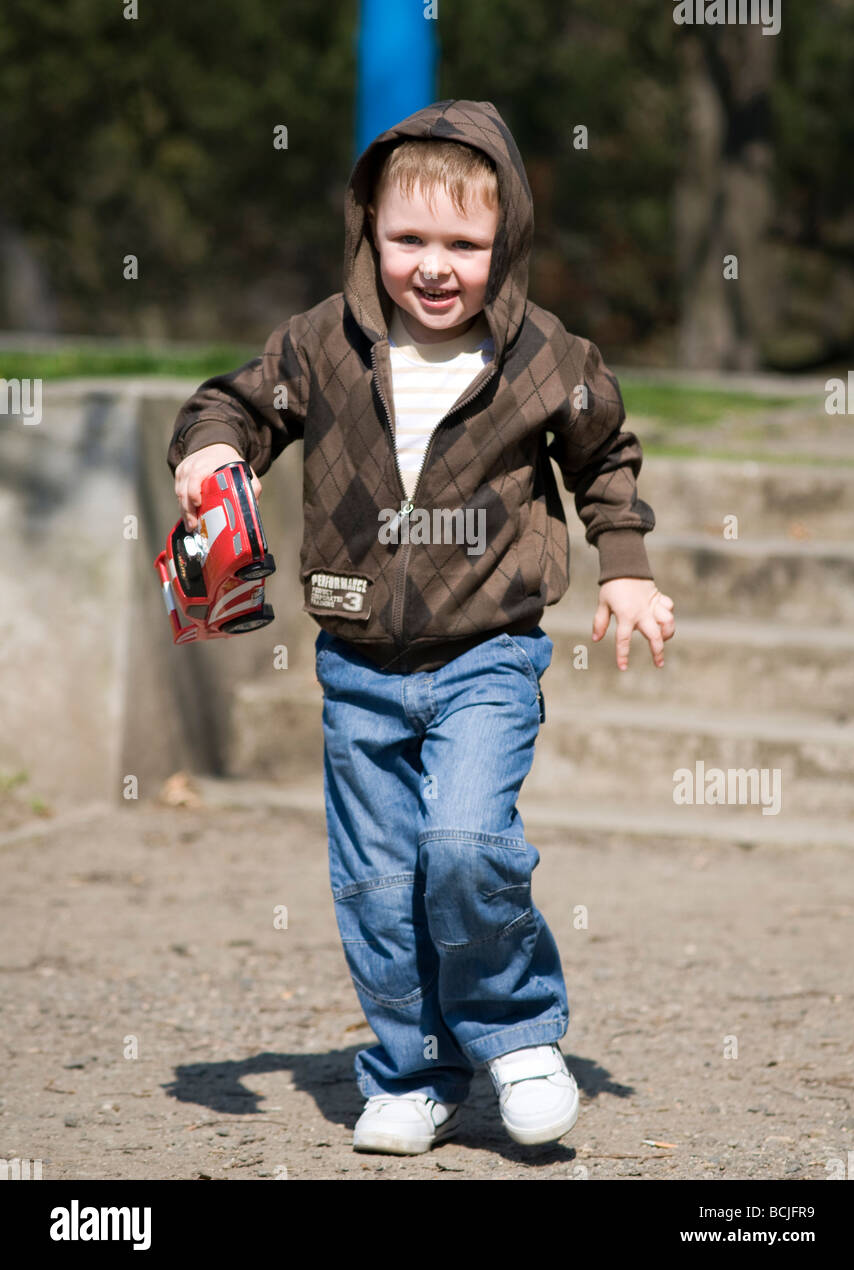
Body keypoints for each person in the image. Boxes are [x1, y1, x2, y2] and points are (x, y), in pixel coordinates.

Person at [167, 98, 675, 1157]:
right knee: (375, 879)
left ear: (507, 243)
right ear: (368, 233)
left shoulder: (546, 357)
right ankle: (410, 1068)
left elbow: (604, 459)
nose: (433, 266)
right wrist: (213, 454)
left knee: (462, 844)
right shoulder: (322, 343)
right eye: (408, 240)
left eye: (463, 244)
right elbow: (237, 403)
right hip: (356, 661)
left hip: (488, 650)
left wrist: (623, 569)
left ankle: (516, 1029)